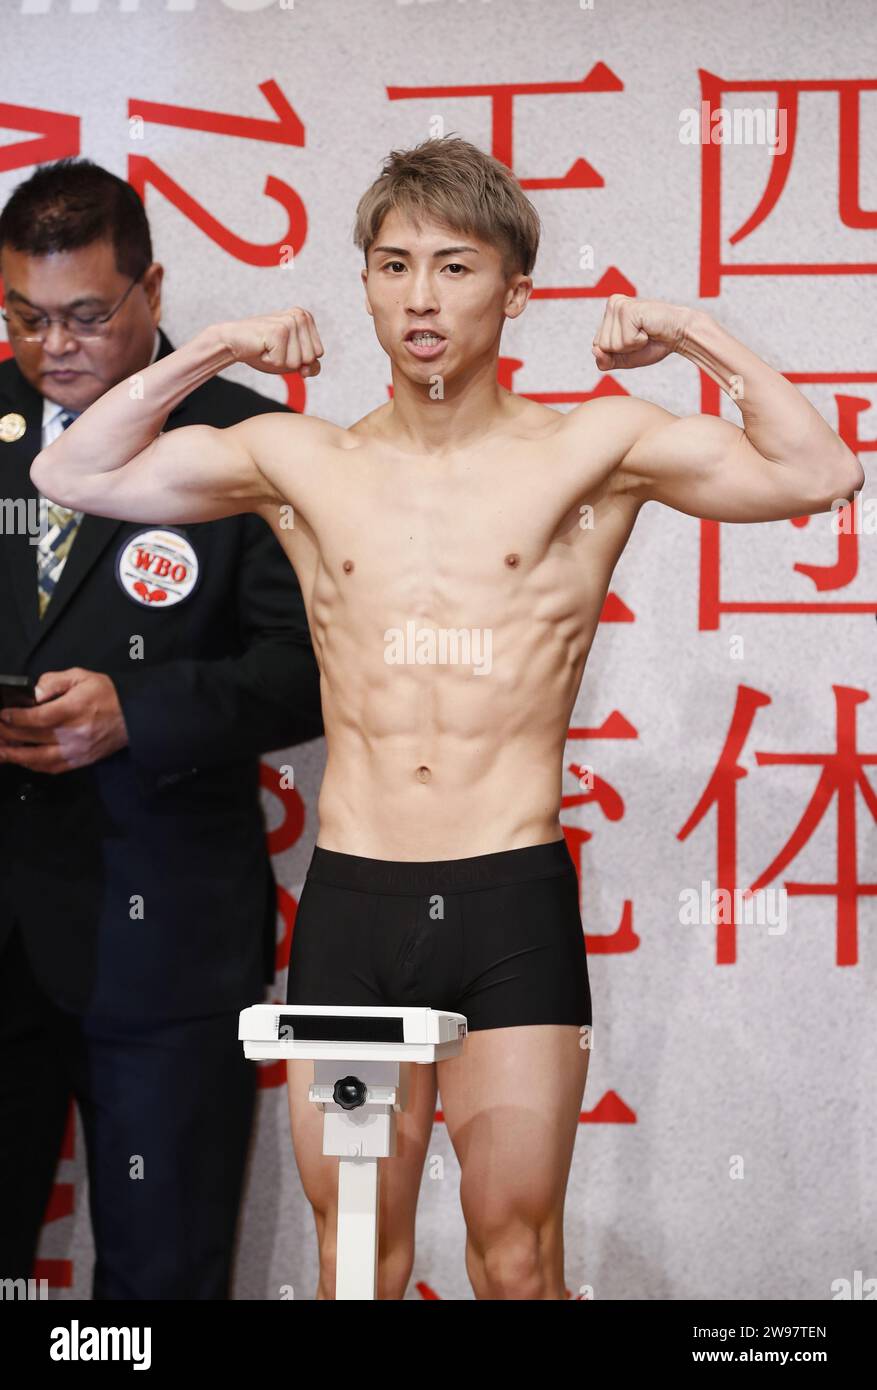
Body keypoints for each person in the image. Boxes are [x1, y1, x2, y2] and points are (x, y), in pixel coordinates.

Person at [29, 136, 864, 1301]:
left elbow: (819, 469)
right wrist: (214, 346)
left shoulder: (593, 446)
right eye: (392, 264)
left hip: (508, 899)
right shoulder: (296, 458)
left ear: (516, 290)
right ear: (364, 280)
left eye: (456, 267)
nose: (420, 297)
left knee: (515, 1259)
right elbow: (75, 476)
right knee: (354, 1263)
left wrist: (686, 335)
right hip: (356, 901)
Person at [0, 158, 323, 1299]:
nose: (56, 347)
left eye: (88, 315)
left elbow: (306, 671)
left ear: (152, 291)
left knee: (161, 1282)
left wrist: (133, 711)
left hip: (167, 940)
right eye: (26, 318)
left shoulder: (248, 441)